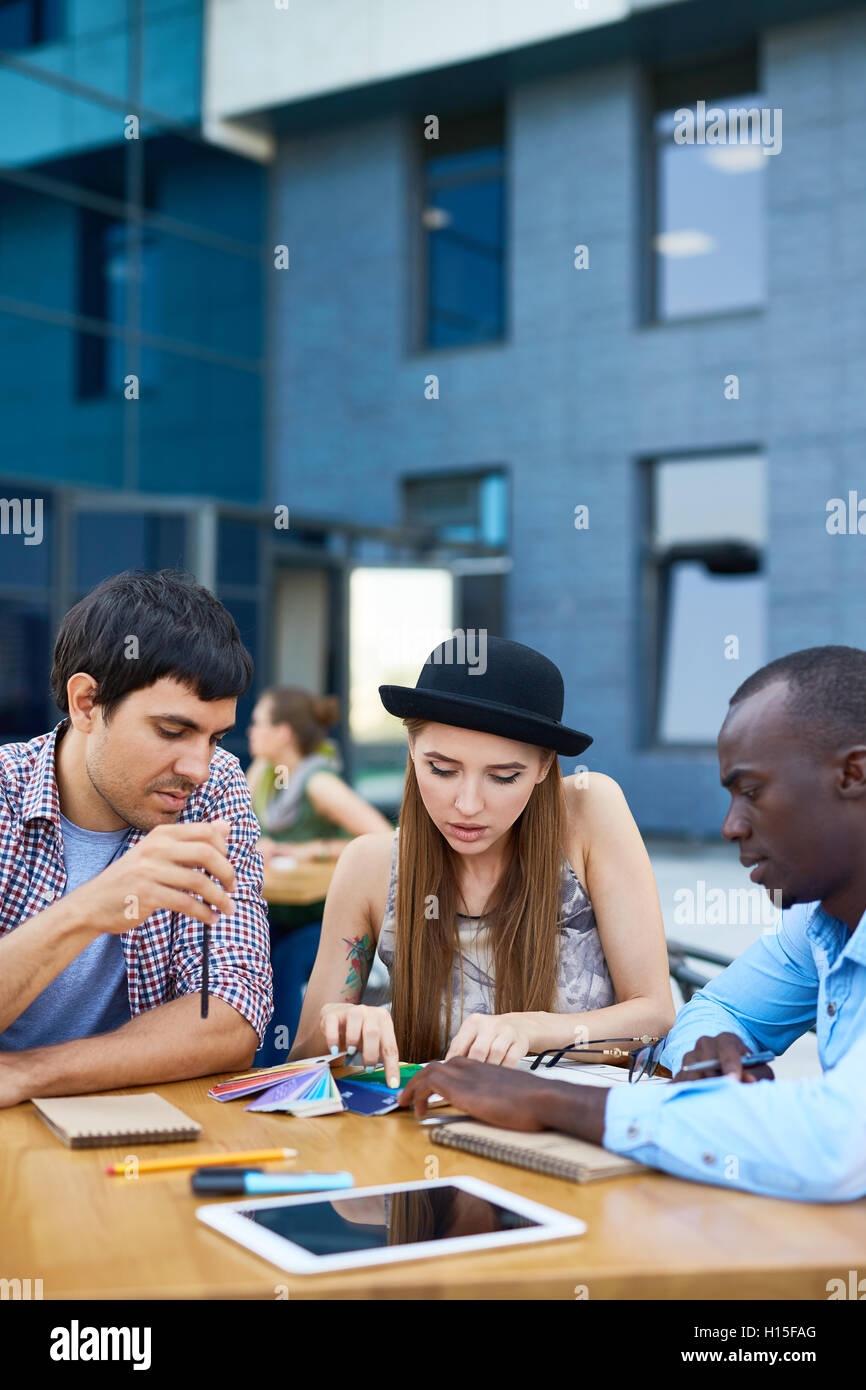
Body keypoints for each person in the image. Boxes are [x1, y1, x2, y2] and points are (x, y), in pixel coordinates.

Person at [399, 646, 866, 1203]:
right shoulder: (817, 924)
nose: (730, 826)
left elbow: (837, 1142)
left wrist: (545, 1100)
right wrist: (710, 1053)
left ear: (854, 774)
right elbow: (719, 1013)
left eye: (752, 792)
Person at [291, 636, 675, 1085]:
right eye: (442, 769)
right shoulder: (369, 865)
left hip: (574, 1119)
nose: (468, 804)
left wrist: (530, 1030)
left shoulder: (589, 811)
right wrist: (339, 1032)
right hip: (428, 1122)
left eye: (503, 776)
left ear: (545, 765)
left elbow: (654, 1018)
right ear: (411, 746)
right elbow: (298, 1066)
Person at [0, 569, 272, 1108]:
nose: (197, 767)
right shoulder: (6, 792)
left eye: (215, 737)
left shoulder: (215, 785)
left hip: (129, 1121)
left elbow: (231, 1015)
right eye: (172, 731)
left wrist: (30, 1074)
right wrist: (90, 909)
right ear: (86, 703)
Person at [246, 687, 391, 1062]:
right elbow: (242, 828)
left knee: (284, 963)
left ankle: (279, 1068)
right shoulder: (263, 772)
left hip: (321, 917)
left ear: (283, 733)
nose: (249, 730)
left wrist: (305, 851)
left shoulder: (318, 782)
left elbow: (382, 838)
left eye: (258, 723)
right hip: (278, 911)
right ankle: (244, 1061)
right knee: (246, 954)